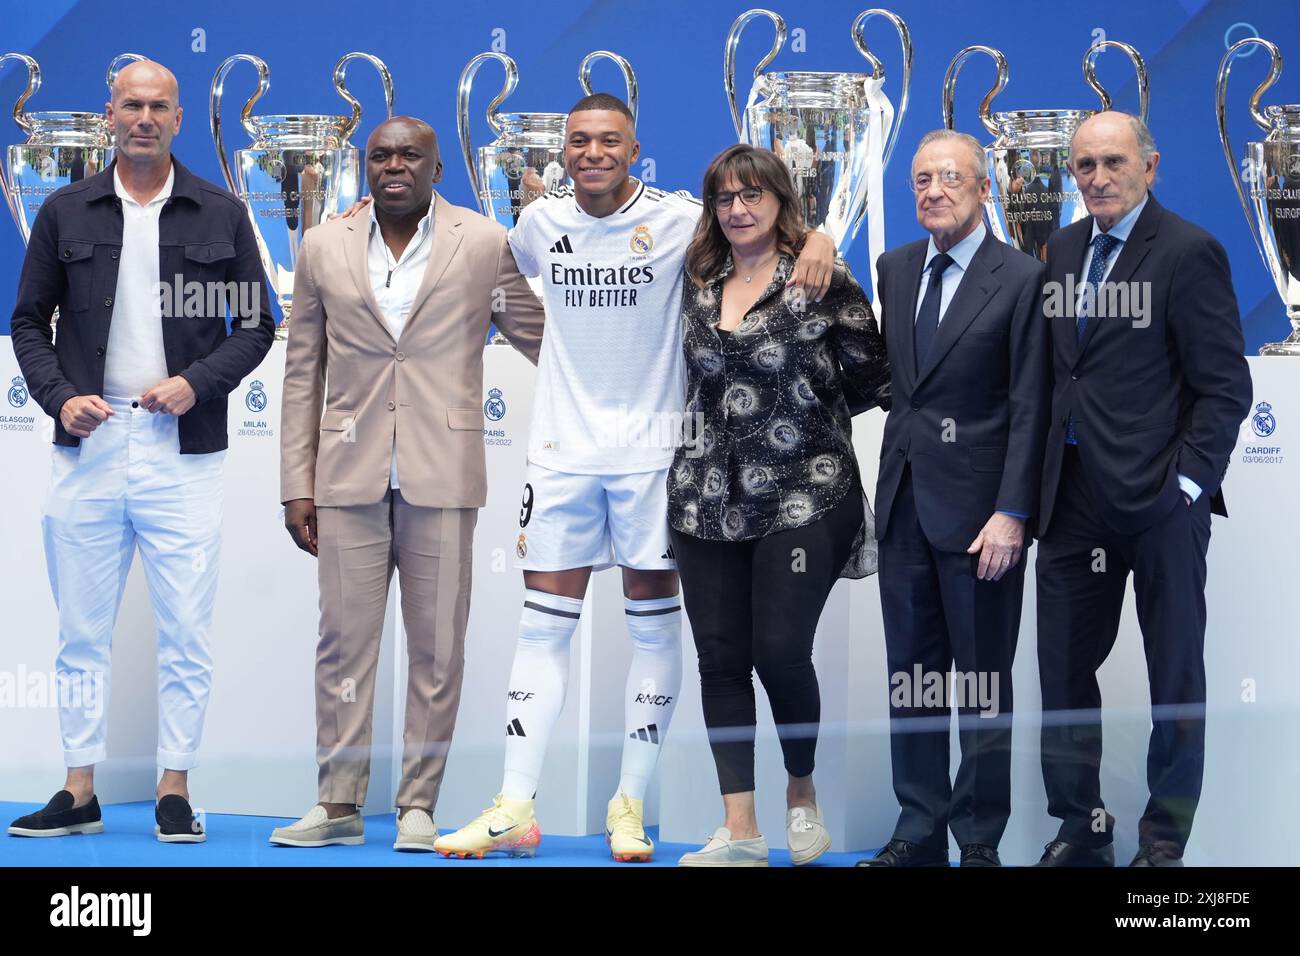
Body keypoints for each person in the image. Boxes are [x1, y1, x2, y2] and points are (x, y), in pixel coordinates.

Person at [433, 94, 837, 862]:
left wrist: (820, 233)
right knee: (541, 626)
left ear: (633, 148)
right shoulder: (538, 223)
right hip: (560, 454)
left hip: (656, 457)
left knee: (652, 625)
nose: (592, 152)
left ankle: (630, 804)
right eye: (578, 139)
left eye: (608, 140)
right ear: (564, 149)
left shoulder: (682, 219)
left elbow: (761, 222)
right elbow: (496, 272)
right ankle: (515, 803)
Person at [7, 60, 275, 843]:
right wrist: (61, 398)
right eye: (132, 104)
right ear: (109, 114)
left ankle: (175, 786)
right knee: (80, 630)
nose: (145, 117)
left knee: (186, 626)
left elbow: (256, 325)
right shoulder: (65, 210)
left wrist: (197, 382)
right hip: (88, 447)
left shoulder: (219, 214)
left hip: (181, 451)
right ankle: (79, 786)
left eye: (160, 105)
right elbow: (29, 323)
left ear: (179, 118)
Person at [271, 116, 545, 851]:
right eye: (381, 155)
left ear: (436, 168)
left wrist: (582, 264)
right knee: (343, 646)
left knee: (437, 648)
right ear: (367, 165)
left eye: (410, 155)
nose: (394, 165)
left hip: (445, 474)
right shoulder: (323, 243)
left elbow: (542, 337)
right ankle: (337, 803)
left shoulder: (484, 242)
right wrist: (297, 482)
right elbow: (302, 375)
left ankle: (418, 804)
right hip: (346, 475)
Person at [1033, 111, 1252, 867]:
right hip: (1068, 501)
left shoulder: (1190, 252)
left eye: (1113, 163)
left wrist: (1186, 485)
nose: (1097, 178)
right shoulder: (1059, 248)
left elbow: (1225, 388)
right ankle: (1080, 831)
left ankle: (1163, 847)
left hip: (1160, 502)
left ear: (1149, 167)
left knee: (1176, 681)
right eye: (1084, 165)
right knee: (1061, 675)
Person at [667, 144, 889, 867]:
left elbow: (873, 377)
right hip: (704, 500)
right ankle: (740, 831)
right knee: (720, 660)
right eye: (725, 198)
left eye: (752, 195)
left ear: (781, 201)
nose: (737, 209)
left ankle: (801, 794)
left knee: (780, 651)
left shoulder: (821, 276)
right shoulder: (697, 280)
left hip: (806, 493)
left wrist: (804, 420)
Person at [863, 129, 1050, 868]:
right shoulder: (896, 267)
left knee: (979, 683)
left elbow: (1031, 403)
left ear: (982, 189)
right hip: (905, 504)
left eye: (948, 178)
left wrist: (1014, 512)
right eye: (920, 181)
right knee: (909, 677)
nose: (932, 192)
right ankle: (917, 829)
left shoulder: (1022, 278)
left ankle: (977, 839)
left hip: (982, 519)